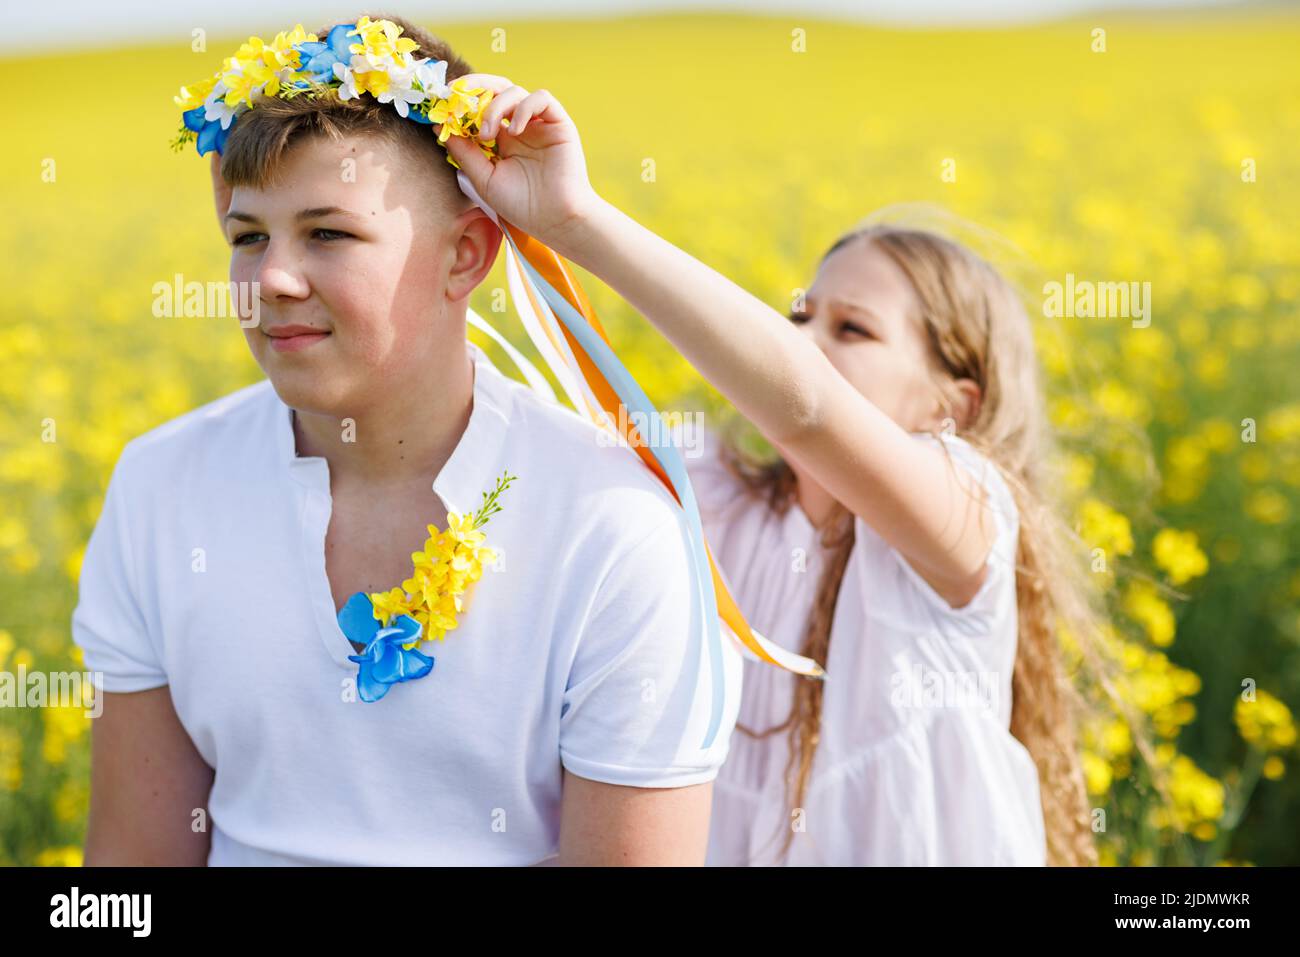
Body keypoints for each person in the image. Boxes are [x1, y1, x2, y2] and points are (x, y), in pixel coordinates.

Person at [72, 15, 742, 866]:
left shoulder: (614, 527)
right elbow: (132, 871)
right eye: (248, 237)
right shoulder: (159, 486)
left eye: (328, 233)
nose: (272, 279)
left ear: (465, 256)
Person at [442, 73, 1107, 866]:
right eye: (799, 316)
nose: (804, 342)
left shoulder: (968, 518)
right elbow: (532, 456)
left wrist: (574, 220)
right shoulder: (715, 494)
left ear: (951, 406)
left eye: (852, 328)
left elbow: (808, 403)